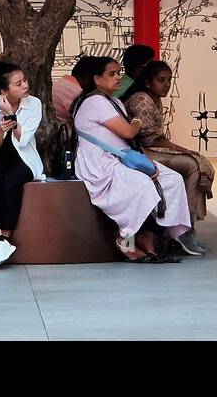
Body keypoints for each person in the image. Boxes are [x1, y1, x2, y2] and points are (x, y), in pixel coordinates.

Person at [71, 59, 200, 261]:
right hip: (102, 162)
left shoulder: (113, 101)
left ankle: (152, 238)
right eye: (112, 74)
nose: (118, 77)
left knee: (172, 180)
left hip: (124, 158)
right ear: (97, 79)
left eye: (118, 73)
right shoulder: (94, 102)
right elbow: (129, 132)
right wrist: (138, 119)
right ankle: (127, 240)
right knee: (142, 184)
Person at [123, 60, 214, 255]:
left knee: (195, 161)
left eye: (169, 80)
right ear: (148, 82)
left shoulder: (153, 97)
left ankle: (187, 224)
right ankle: (185, 227)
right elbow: (149, 140)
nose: (166, 84)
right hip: (139, 152)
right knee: (193, 164)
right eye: (161, 80)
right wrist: (185, 151)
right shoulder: (142, 100)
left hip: (148, 147)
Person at [0, 61, 44, 267]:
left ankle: (3, 238)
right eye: (18, 83)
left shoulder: (34, 104)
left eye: (24, 81)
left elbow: (23, 140)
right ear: (4, 90)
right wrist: (0, 129)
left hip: (22, 157)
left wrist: (12, 117)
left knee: (11, 184)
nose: (25, 86)